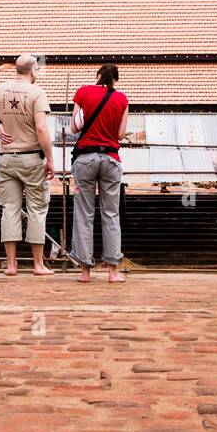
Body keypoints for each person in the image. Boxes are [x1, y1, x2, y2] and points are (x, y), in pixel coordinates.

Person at [0, 53, 55, 276]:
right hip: (32, 157)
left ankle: (11, 265)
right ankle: (38, 265)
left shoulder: (0, 90)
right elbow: (42, 129)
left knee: (9, 210)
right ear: (34, 70)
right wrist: (50, 160)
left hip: (7, 158)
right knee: (37, 209)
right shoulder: (37, 93)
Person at [70, 62, 129, 282]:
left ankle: (85, 271)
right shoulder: (122, 99)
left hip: (85, 159)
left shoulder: (83, 92)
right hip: (111, 159)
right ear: (115, 80)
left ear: (97, 76)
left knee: (84, 214)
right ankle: (112, 271)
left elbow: (74, 127)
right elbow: (121, 134)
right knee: (111, 214)